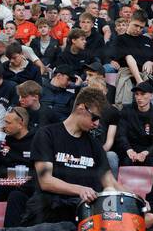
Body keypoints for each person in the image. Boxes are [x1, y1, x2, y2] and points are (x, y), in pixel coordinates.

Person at [26, 87, 118, 224]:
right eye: (95, 118)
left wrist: (137, 199)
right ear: (81, 108)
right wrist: (80, 189)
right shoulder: (47, 134)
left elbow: (110, 182)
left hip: (85, 215)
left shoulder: (95, 144)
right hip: (51, 213)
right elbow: (46, 181)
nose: (97, 124)